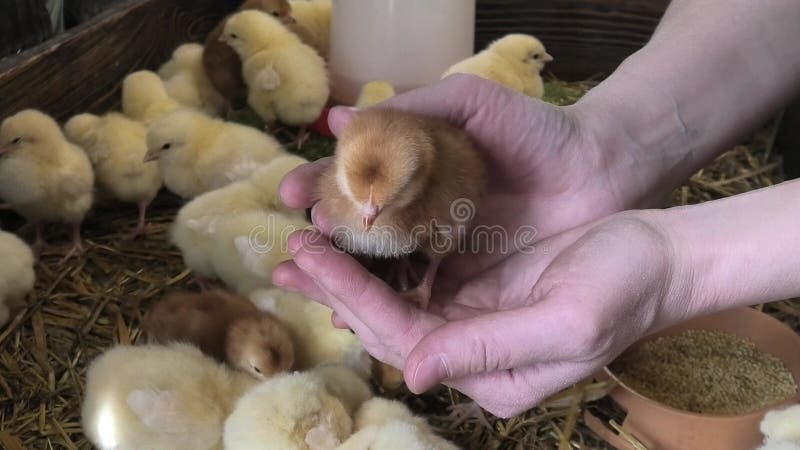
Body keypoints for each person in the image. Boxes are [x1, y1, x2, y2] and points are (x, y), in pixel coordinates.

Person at [273, 0, 800, 418]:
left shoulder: (437, 189)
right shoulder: (366, 181)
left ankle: (428, 267)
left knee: (428, 238)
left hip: (436, 211)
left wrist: (676, 262)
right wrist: (615, 145)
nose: (366, 215)